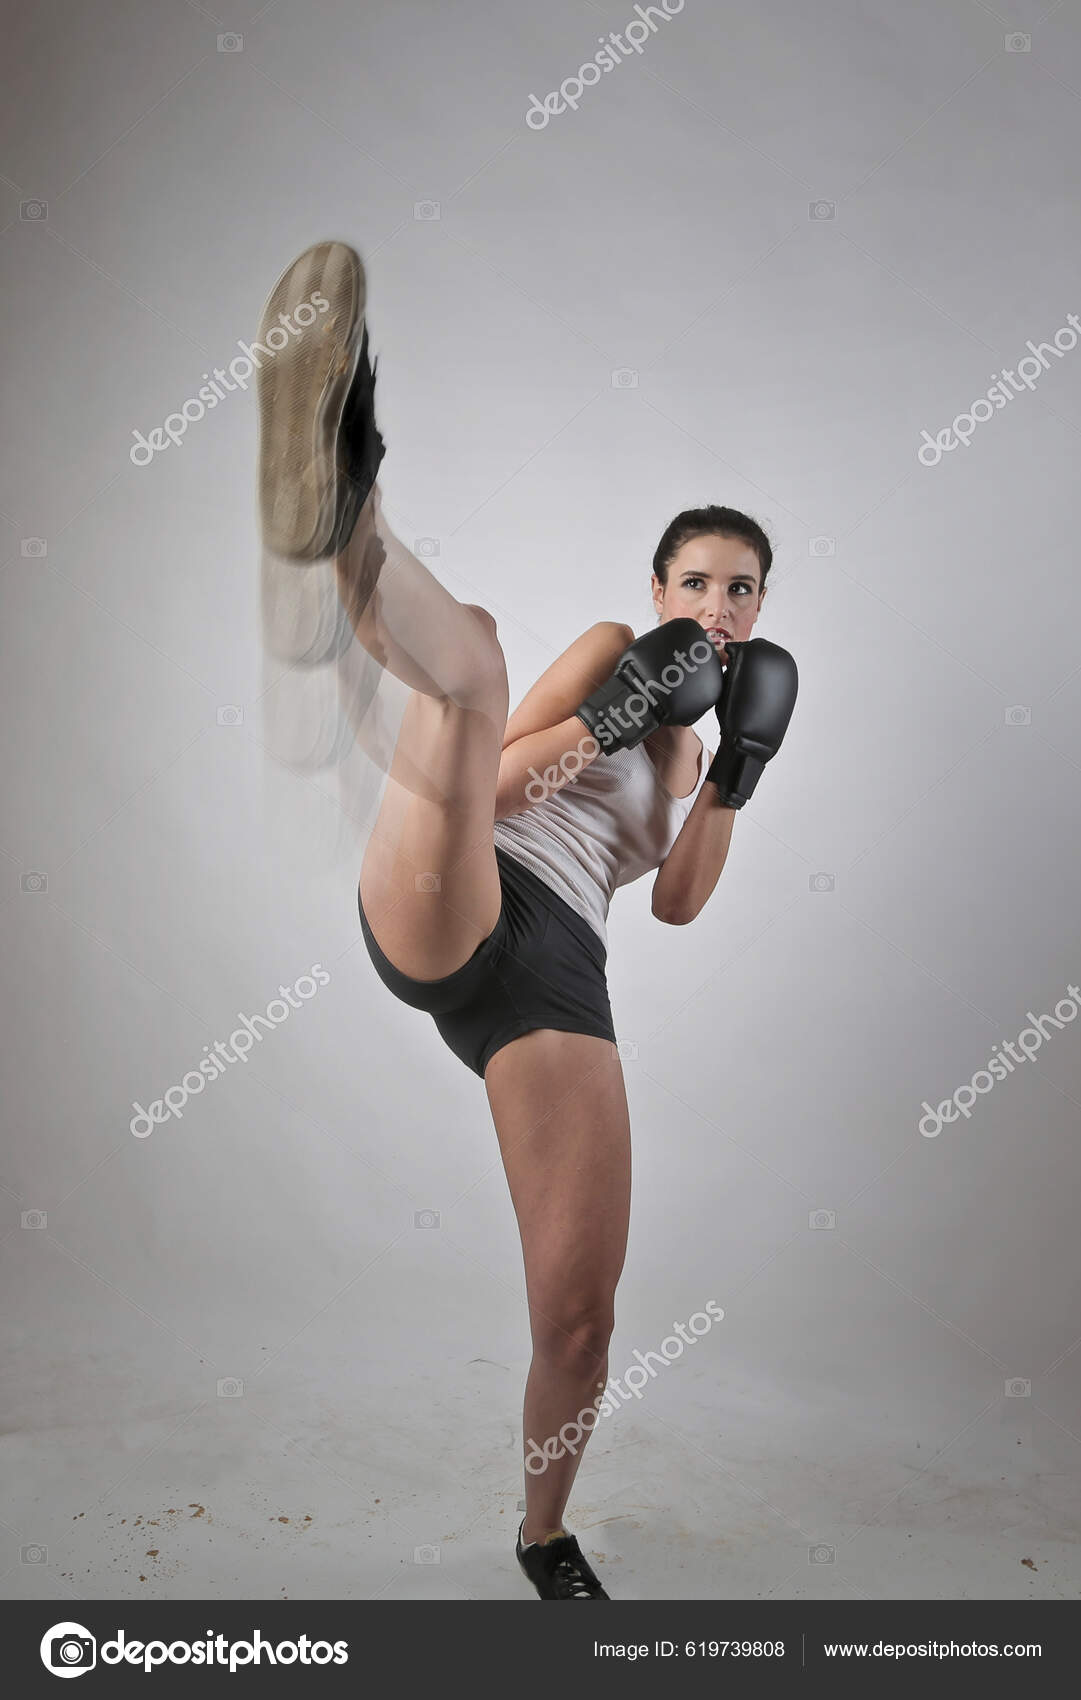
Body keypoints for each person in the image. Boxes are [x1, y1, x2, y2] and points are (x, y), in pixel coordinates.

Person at [256, 241, 798, 1600]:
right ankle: (339, 490)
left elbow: (669, 904)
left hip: (554, 975)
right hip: (459, 875)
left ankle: (542, 1535)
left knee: (579, 1309)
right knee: (475, 664)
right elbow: (492, 776)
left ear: (760, 612)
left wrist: (733, 773)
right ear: (661, 585)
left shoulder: (710, 740)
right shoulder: (620, 645)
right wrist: (618, 704)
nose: (715, 609)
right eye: (698, 583)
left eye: (740, 591)